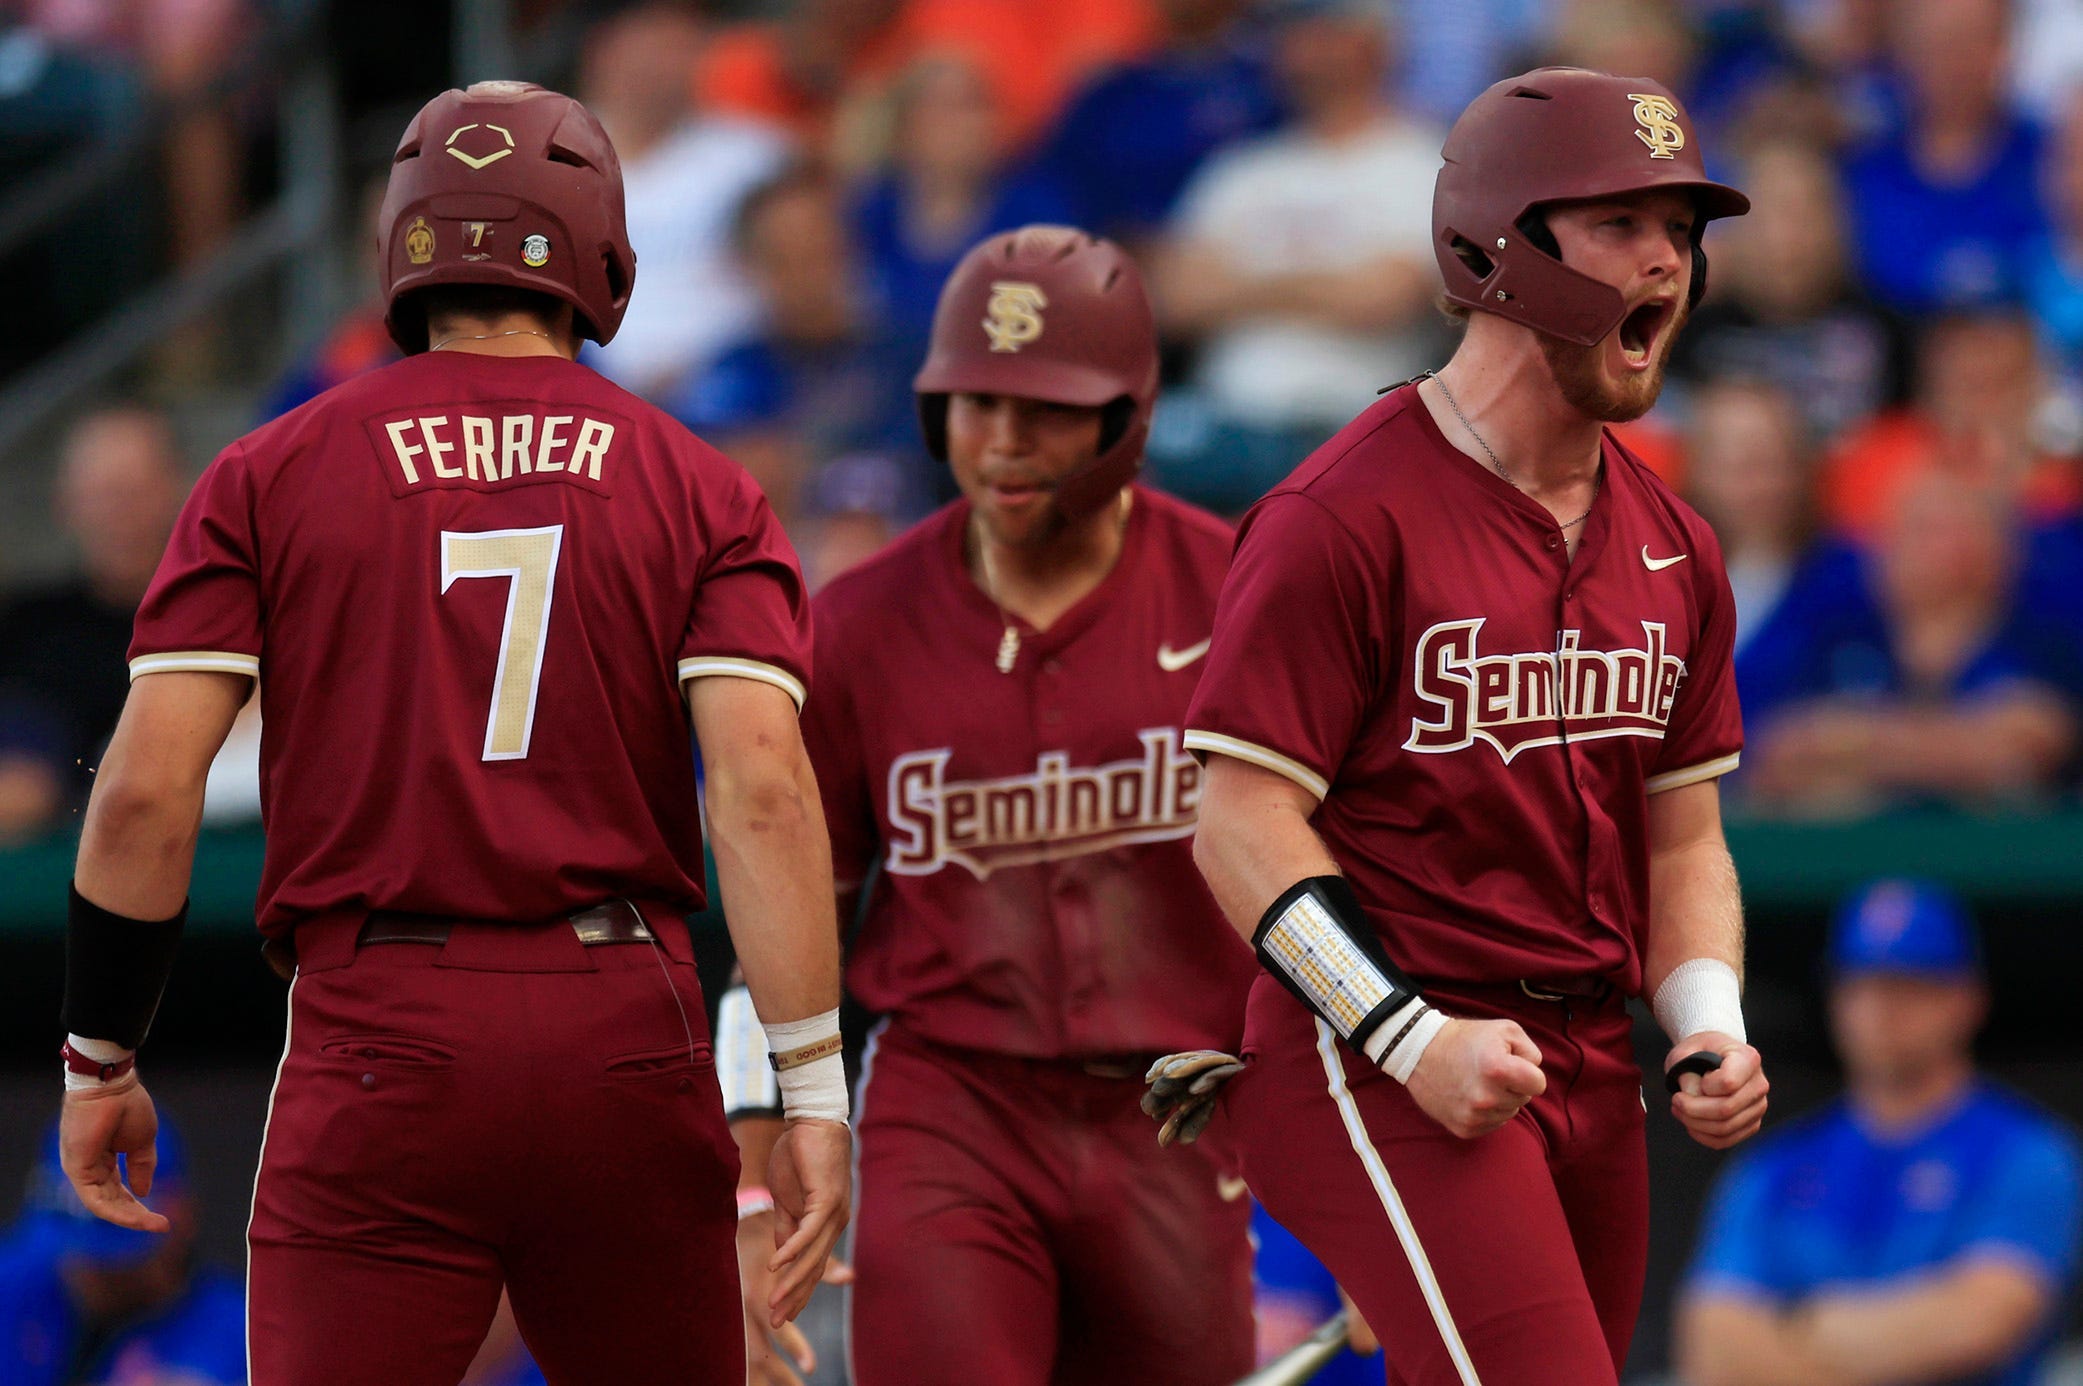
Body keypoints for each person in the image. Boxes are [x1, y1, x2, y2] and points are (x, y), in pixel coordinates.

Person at [52, 80, 850, 1385]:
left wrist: (98, 1057)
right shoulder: (699, 480)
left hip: (380, 1022)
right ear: (595, 249)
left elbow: (143, 795)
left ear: (402, 250)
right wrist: (809, 1090)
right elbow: (759, 791)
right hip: (620, 1021)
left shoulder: (268, 469)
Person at [1161, 68, 1772, 1384]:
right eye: (1621, 221)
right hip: (1368, 1051)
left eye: (1681, 228)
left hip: (1590, 1058)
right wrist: (1399, 1031)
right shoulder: (1342, 513)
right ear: (1494, 240)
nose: (1665, 258)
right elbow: (1234, 818)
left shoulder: (1674, 541)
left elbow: (1681, 841)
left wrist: (1707, 1014)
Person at [719, 224, 1260, 1386]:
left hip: (1177, 1114)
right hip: (950, 1109)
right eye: (974, 405)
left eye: (1047, 410)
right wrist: (753, 1191)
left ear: (1127, 416)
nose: (1004, 443)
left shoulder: (1237, 593)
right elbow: (774, 933)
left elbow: (1334, 895)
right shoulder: (857, 625)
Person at [1677, 879, 2083, 1386]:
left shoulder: (2029, 1153)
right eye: (1860, 983)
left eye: (1908, 984)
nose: (1880, 1008)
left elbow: (1979, 1325)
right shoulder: (1777, 1166)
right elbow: (1713, 1350)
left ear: (1967, 1000)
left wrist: (1805, 1326)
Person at [1153, 0, 1445, 509]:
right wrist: (1325, 284)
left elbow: (1383, 302)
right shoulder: (1243, 168)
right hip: (1221, 424)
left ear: (1372, 45)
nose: (1299, 52)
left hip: (1351, 427)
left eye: (1319, 32)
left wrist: (1242, 283)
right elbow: (1174, 300)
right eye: (1292, 35)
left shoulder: (1425, 161)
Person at [0, 406, 186, 841]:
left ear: (177, 489)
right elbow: (24, 786)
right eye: (100, 492)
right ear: (64, 501)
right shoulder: (27, 627)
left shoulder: (229, 618)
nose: (118, 512)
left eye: (134, 490)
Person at [0, 1115, 244, 1386]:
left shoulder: (243, 1339)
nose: (89, 1267)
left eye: (110, 1251)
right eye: (73, 1241)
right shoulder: (18, 1284)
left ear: (180, 1216)